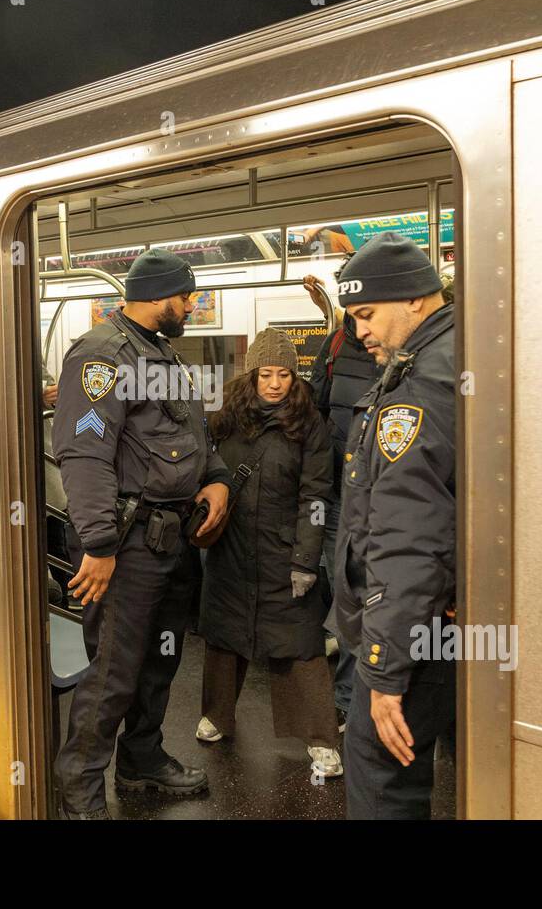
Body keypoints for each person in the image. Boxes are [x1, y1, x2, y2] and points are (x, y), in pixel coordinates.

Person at [51, 247, 231, 820]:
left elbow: (190, 436)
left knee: (161, 658)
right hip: (125, 545)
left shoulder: (161, 354)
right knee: (114, 670)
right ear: (160, 295)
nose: (191, 304)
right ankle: (79, 785)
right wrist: (100, 544)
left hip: (172, 538)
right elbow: (84, 452)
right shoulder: (103, 354)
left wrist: (219, 480)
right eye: (186, 295)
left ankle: (141, 756)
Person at [333, 232, 457, 820]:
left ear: (414, 299)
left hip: (413, 632)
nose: (361, 333)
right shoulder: (441, 357)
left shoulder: (421, 386)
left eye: (366, 314)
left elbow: (409, 536)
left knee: (381, 778)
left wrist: (383, 666)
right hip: (431, 621)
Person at [195, 328, 340, 776]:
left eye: (284, 374)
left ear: (295, 377)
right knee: (224, 636)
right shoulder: (226, 415)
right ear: (252, 374)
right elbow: (201, 460)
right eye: (266, 374)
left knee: (299, 643)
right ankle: (217, 715)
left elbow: (316, 495)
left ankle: (321, 738)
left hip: (284, 550)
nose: (275, 384)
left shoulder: (310, 424)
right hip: (233, 548)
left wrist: (305, 558)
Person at [307, 266, 384, 730]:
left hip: (378, 498)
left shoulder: (404, 354)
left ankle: (356, 696)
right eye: (354, 313)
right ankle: (346, 694)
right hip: (336, 491)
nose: (363, 326)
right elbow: (314, 411)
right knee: (342, 589)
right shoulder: (334, 346)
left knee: (368, 594)